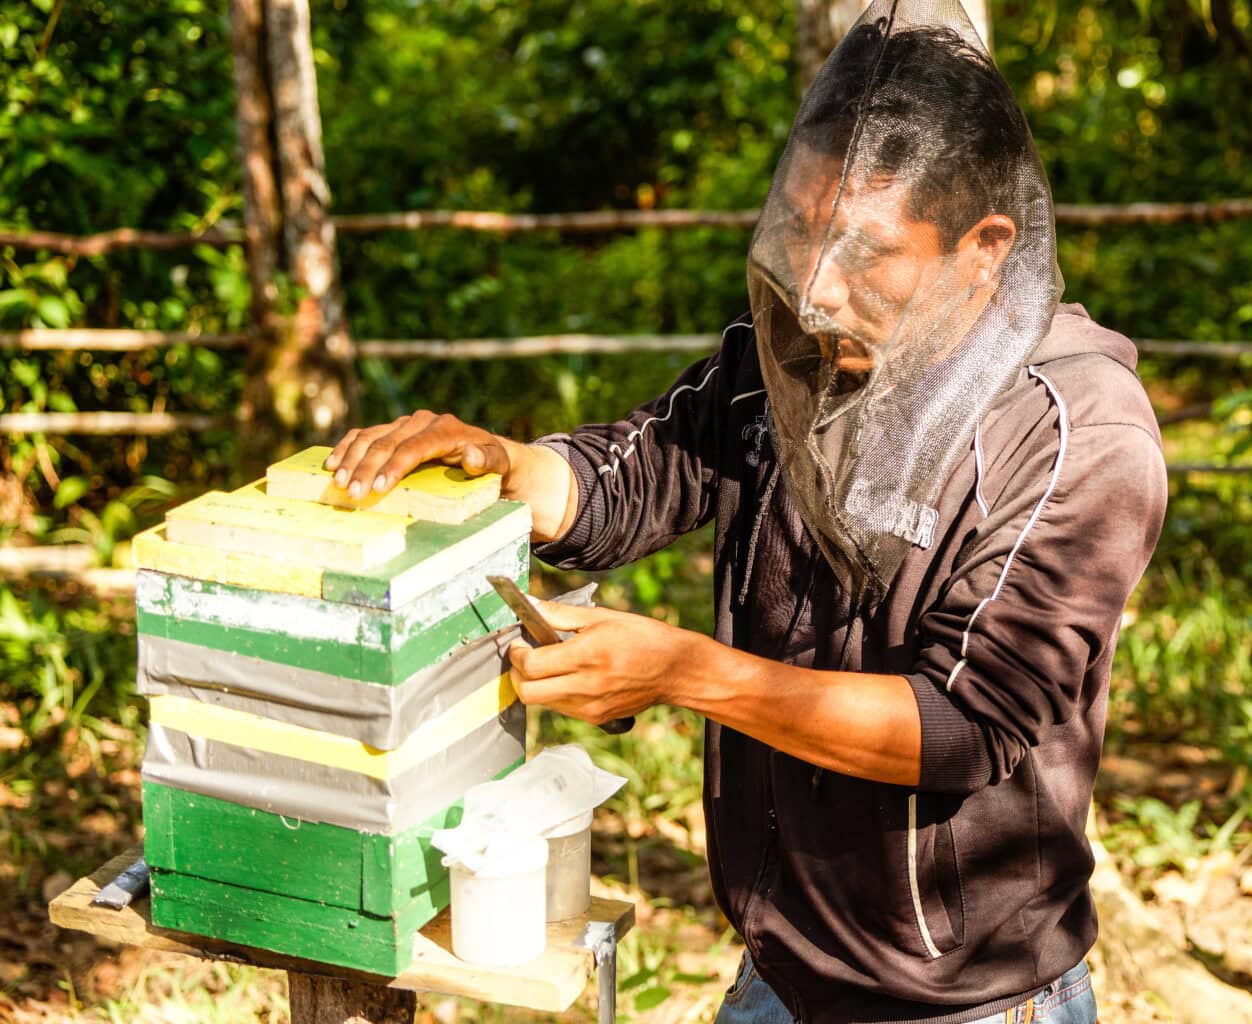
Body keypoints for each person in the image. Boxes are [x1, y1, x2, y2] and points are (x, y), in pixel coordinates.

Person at [326, 5, 1166, 1022]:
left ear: (983, 250)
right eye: (803, 234)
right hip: (780, 972)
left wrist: (687, 672)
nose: (816, 290)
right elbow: (631, 478)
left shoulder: (1078, 430)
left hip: (961, 1004)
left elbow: (967, 724)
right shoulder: (791, 358)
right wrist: (501, 462)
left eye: (866, 252)